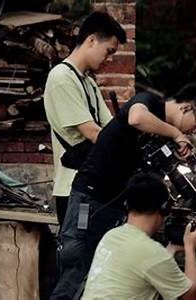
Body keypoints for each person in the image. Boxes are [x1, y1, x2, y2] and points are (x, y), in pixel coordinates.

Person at [51, 82, 196, 299]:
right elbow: (136, 118)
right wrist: (176, 133)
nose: (195, 131)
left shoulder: (162, 135)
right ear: (187, 108)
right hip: (91, 199)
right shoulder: (148, 102)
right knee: (74, 277)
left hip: (113, 208)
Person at [44, 11, 127, 227]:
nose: (109, 59)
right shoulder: (61, 78)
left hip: (91, 187)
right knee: (79, 256)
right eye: (108, 51)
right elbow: (93, 132)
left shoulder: (87, 82)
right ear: (91, 40)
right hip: (73, 189)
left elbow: (111, 128)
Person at [82, 172, 196, 300]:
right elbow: (191, 295)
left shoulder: (111, 236)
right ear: (163, 208)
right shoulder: (151, 251)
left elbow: (144, 263)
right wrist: (190, 247)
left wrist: (171, 249)